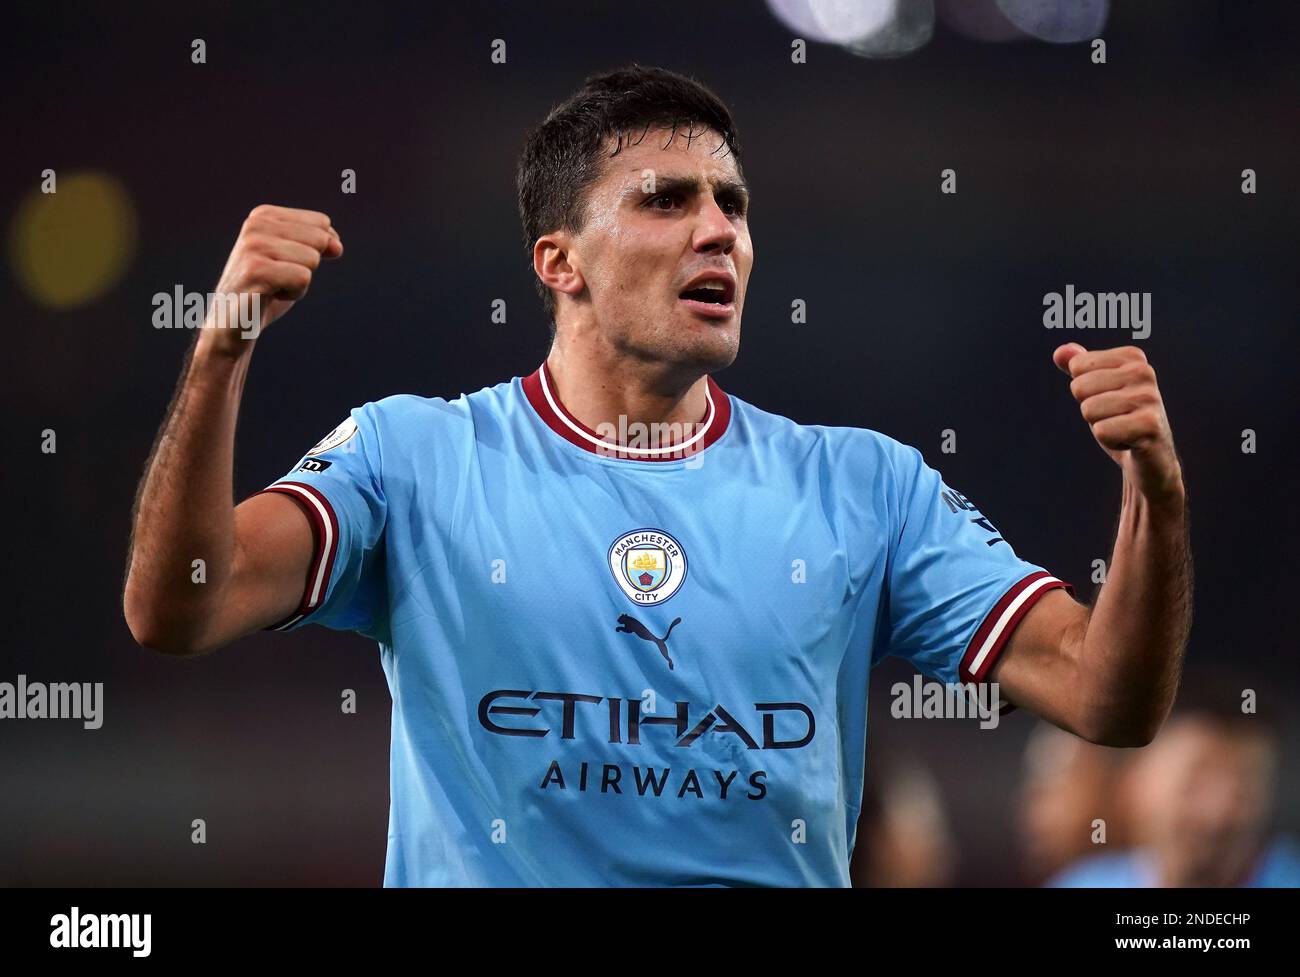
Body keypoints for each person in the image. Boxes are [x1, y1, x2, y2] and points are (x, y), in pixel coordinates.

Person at [123, 65, 1191, 886]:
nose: (718, 228)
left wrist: (1155, 495)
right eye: (666, 199)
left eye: (731, 202)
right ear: (560, 261)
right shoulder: (414, 457)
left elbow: (1107, 696)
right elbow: (178, 606)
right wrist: (220, 353)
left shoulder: (863, 486)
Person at [1049, 700, 1300, 888]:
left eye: (1245, 787)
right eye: (1195, 782)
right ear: (1135, 783)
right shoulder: (1083, 883)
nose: (1220, 812)